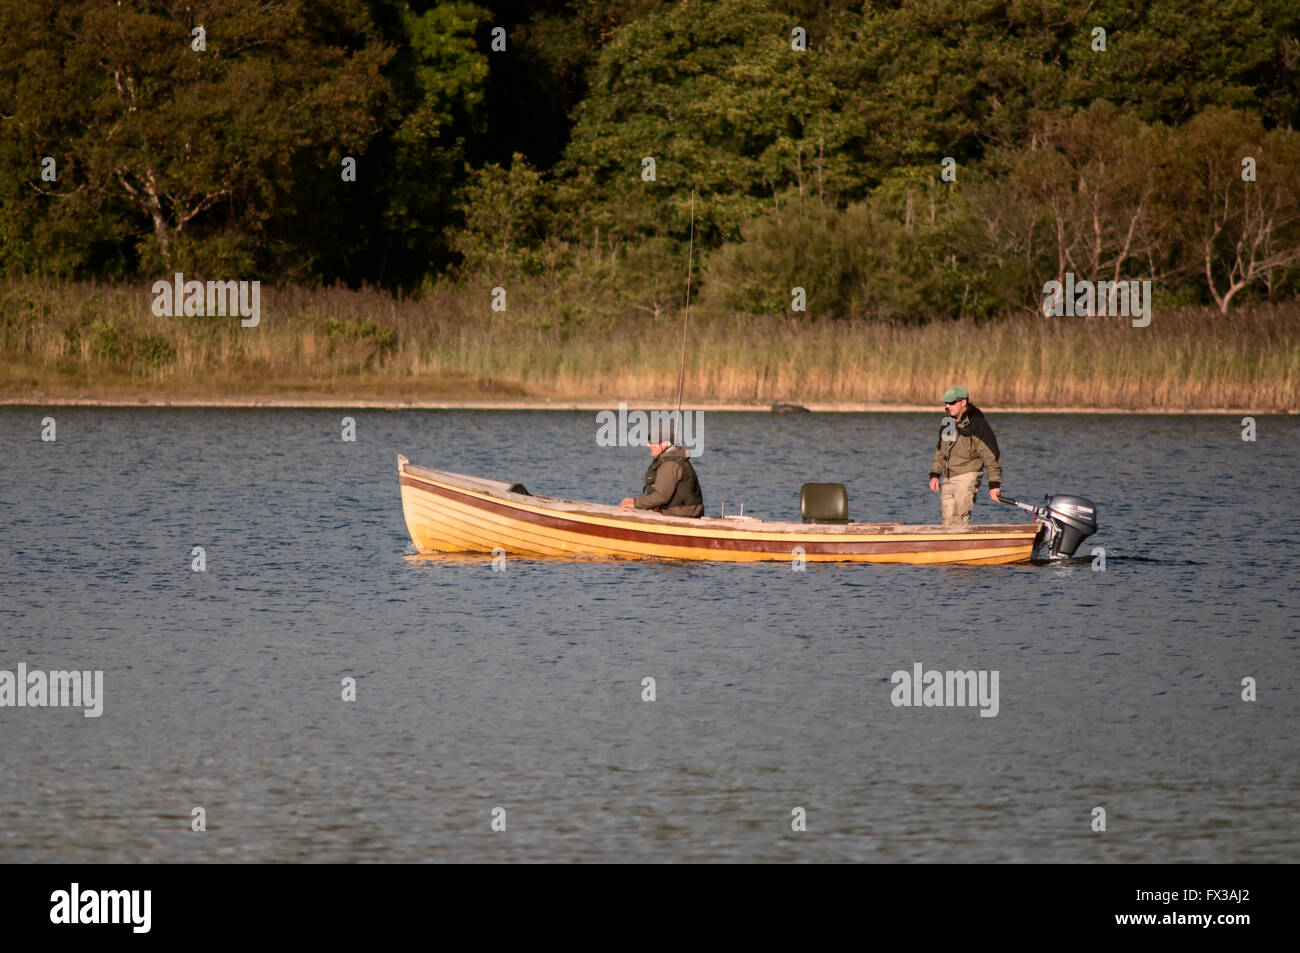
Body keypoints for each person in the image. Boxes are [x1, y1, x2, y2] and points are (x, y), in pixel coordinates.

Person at [927, 385, 1002, 526]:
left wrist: (994, 484)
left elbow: (992, 457)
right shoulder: (948, 422)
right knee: (947, 523)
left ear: (963, 402)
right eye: (946, 403)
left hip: (967, 477)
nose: (948, 406)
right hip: (948, 478)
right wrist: (935, 474)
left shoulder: (978, 425)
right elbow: (941, 451)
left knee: (959, 521)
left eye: (952, 403)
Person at [620, 423, 704, 517]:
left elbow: (661, 497)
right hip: (680, 511)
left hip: (681, 514)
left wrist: (635, 503)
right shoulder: (672, 459)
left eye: (652, 442)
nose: (648, 445)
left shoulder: (670, 464)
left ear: (665, 444)